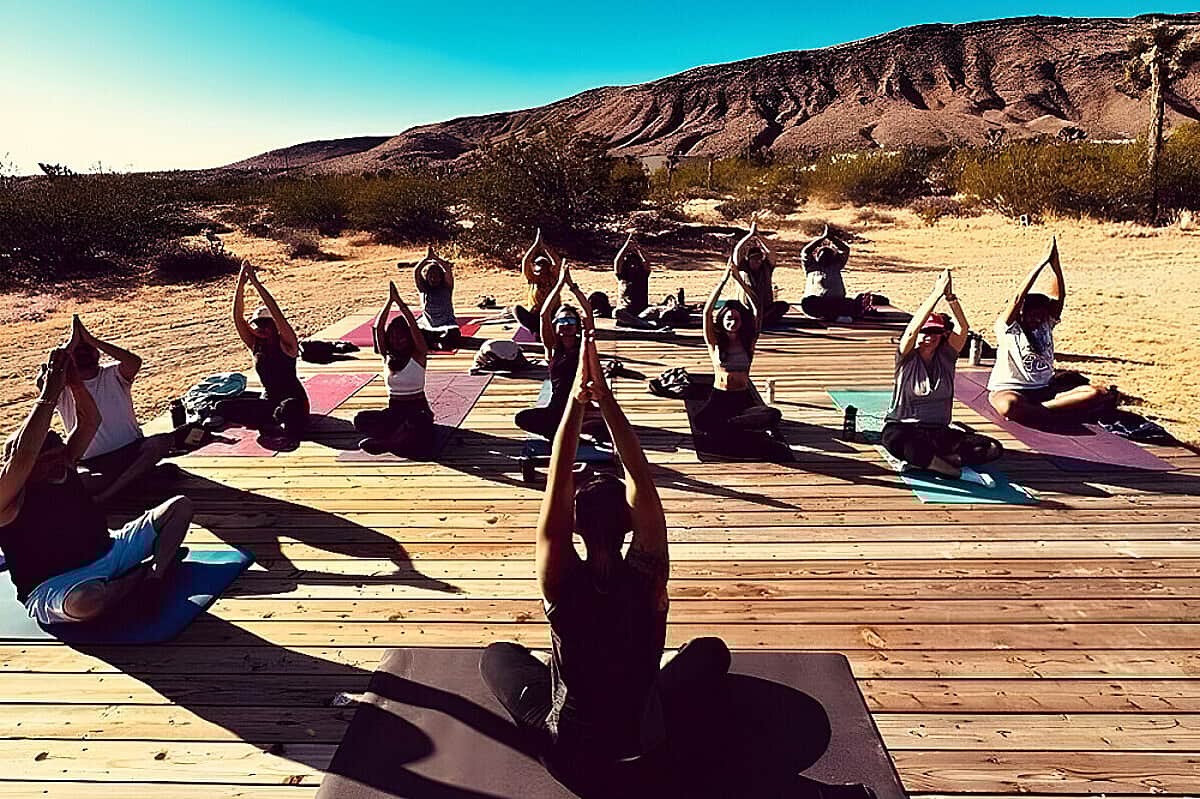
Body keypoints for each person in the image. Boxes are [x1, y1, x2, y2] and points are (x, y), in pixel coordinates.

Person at [481, 327, 731, 793]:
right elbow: (640, 472)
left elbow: (558, 470)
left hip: (574, 760)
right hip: (649, 755)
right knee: (710, 651)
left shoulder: (561, 580)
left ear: (575, 525)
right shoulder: (648, 574)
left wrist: (577, 402)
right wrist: (607, 401)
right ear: (631, 524)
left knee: (498, 656)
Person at [0, 347, 192, 626]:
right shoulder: (8, 499)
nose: (60, 463)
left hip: (110, 551)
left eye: (59, 455)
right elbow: (23, 456)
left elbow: (91, 421)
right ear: (27, 465)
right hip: (58, 584)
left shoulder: (65, 463)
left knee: (179, 507)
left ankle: (154, 576)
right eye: (48, 460)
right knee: (86, 602)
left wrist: (75, 384)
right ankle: (138, 576)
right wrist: (48, 396)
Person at [881, 269, 1002, 483]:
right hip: (905, 428)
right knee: (899, 442)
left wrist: (950, 297)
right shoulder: (906, 357)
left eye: (936, 333)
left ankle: (935, 462)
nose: (930, 337)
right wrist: (935, 294)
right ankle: (956, 472)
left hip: (938, 433)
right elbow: (911, 331)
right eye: (925, 332)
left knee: (992, 448)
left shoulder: (946, 357)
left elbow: (963, 328)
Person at [48, 314, 178, 505]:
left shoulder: (113, 374)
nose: (82, 352)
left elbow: (134, 362)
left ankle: (107, 496)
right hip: (94, 464)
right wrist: (70, 344)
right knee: (76, 483)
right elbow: (44, 382)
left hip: (132, 451)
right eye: (77, 351)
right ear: (70, 358)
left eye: (88, 349)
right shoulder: (62, 388)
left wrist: (92, 339)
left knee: (162, 442)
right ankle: (140, 479)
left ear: (98, 353)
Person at [987, 238, 1114, 427]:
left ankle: (1042, 412)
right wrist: (1041, 263)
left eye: (1041, 316)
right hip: (1010, 390)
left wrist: (1055, 264)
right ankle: (1052, 412)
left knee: (1098, 393)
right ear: (1022, 313)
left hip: (1045, 390)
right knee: (1009, 406)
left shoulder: (1046, 323)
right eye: (1033, 316)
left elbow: (1059, 296)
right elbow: (1016, 298)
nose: (1038, 320)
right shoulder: (1008, 327)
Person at [214, 262, 310, 445]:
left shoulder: (288, 344)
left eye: (265, 324)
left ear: (274, 326)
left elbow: (277, 313)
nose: (260, 328)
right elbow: (237, 317)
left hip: (294, 402)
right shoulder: (255, 345)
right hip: (270, 403)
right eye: (257, 324)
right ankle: (272, 423)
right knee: (222, 407)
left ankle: (281, 428)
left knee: (289, 408)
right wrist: (241, 283)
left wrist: (256, 284)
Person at [514, 262, 607, 442]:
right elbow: (544, 315)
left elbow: (588, 312)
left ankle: (574, 428)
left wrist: (572, 286)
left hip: (581, 404)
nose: (566, 326)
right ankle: (568, 431)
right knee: (522, 418)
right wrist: (558, 285)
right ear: (555, 327)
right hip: (557, 408)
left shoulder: (585, 345)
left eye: (570, 321)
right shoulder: (552, 348)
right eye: (562, 322)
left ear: (577, 326)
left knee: (602, 422)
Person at [694, 263, 781, 440]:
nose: (732, 322)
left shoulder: (748, 341)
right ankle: (735, 426)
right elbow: (707, 313)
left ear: (742, 322)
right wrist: (723, 280)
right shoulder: (715, 343)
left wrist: (740, 281)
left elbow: (757, 308)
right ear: (722, 320)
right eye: (728, 318)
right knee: (701, 422)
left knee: (773, 414)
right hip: (719, 397)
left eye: (736, 319)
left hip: (742, 397)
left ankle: (733, 425)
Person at [353, 282, 435, 456]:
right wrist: (389, 302)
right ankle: (398, 437)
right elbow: (379, 329)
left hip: (418, 411)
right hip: (394, 412)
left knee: (417, 422)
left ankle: (390, 442)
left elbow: (413, 326)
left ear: (409, 338)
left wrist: (401, 304)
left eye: (402, 337)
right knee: (360, 419)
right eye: (394, 337)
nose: (397, 340)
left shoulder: (418, 354)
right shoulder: (386, 355)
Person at [798, 225, 886, 321]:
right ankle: (835, 316)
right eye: (822, 254)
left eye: (829, 254)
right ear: (817, 256)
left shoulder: (836, 265)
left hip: (837, 303)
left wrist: (832, 238)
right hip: (817, 303)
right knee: (807, 303)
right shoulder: (811, 266)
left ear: (833, 257)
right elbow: (805, 252)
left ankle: (834, 315)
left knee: (851, 303)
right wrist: (822, 238)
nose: (826, 256)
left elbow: (845, 250)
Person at [612, 233, 687, 331]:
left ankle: (640, 323)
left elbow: (646, 261)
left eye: (635, 263)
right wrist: (626, 246)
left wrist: (638, 249)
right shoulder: (623, 277)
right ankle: (645, 325)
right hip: (626, 312)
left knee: (662, 310)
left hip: (643, 313)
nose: (633, 266)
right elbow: (617, 261)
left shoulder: (643, 275)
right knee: (617, 312)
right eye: (630, 264)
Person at [731, 221, 790, 327]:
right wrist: (750, 235)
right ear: (748, 259)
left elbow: (770, 251)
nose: (757, 261)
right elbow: (737, 250)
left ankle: (758, 319)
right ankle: (755, 320)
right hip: (746, 308)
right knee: (732, 306)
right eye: (754, 259)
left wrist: (758, 235)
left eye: (759, 259)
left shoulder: (766, 267)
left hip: (765, 309)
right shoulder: (742, 267)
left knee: (782, 306)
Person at [512, 230, 561, 339]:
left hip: (552, 315)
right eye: (538, 265)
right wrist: (535, 245)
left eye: (543, 265)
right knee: (516, 310)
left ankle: (550, 329)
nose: (540, 268)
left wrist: (544, 247)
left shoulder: (553, 278)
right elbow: (526, 261)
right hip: (536, 316)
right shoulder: (532, 278)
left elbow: (557, 262)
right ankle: (537, 330)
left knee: (565, 311)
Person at [412, 246, 462, 351]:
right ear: (426, 278)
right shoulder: (423, 289)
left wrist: (436, 259)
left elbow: (447, 269)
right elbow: (417, 272)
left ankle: (437, 343)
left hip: (447, 326)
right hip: (429, 327)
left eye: (436, 276)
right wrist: (426, 259)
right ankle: (433, 342)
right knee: (414, 333)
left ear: (441, 277)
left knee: (452, 336)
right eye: (431, 276)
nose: (434, 279)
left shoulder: (447, 287)